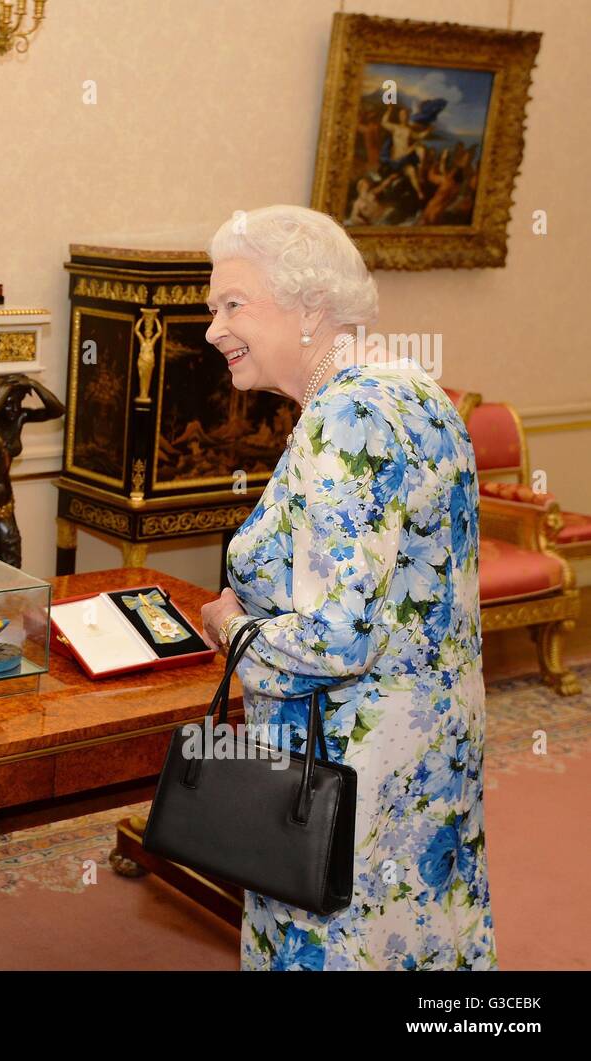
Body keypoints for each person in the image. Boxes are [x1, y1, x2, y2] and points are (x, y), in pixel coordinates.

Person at [199, 204, 495, 971]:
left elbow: (336, 637)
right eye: (211, 308)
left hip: (343, 774)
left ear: (310, 308)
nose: (212, 329)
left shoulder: (349, 418)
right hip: (427, 750)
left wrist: (230, 629)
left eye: (233, 305)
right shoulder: (416, 391)